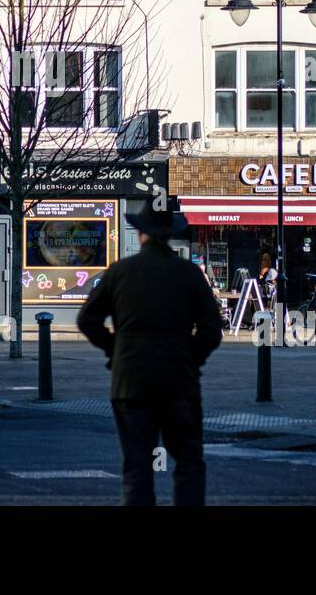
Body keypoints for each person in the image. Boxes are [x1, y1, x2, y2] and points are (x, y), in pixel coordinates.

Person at [76, 199, 223, 506]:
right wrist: (191, 357)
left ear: (140, 233)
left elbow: (87, 319)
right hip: (178, 382)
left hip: (130, 382)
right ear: (170, 234)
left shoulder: (120, 272)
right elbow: (212, 329)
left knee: (137, 466)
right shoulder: (188, 274)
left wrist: (115, 349)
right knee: (188, 462)